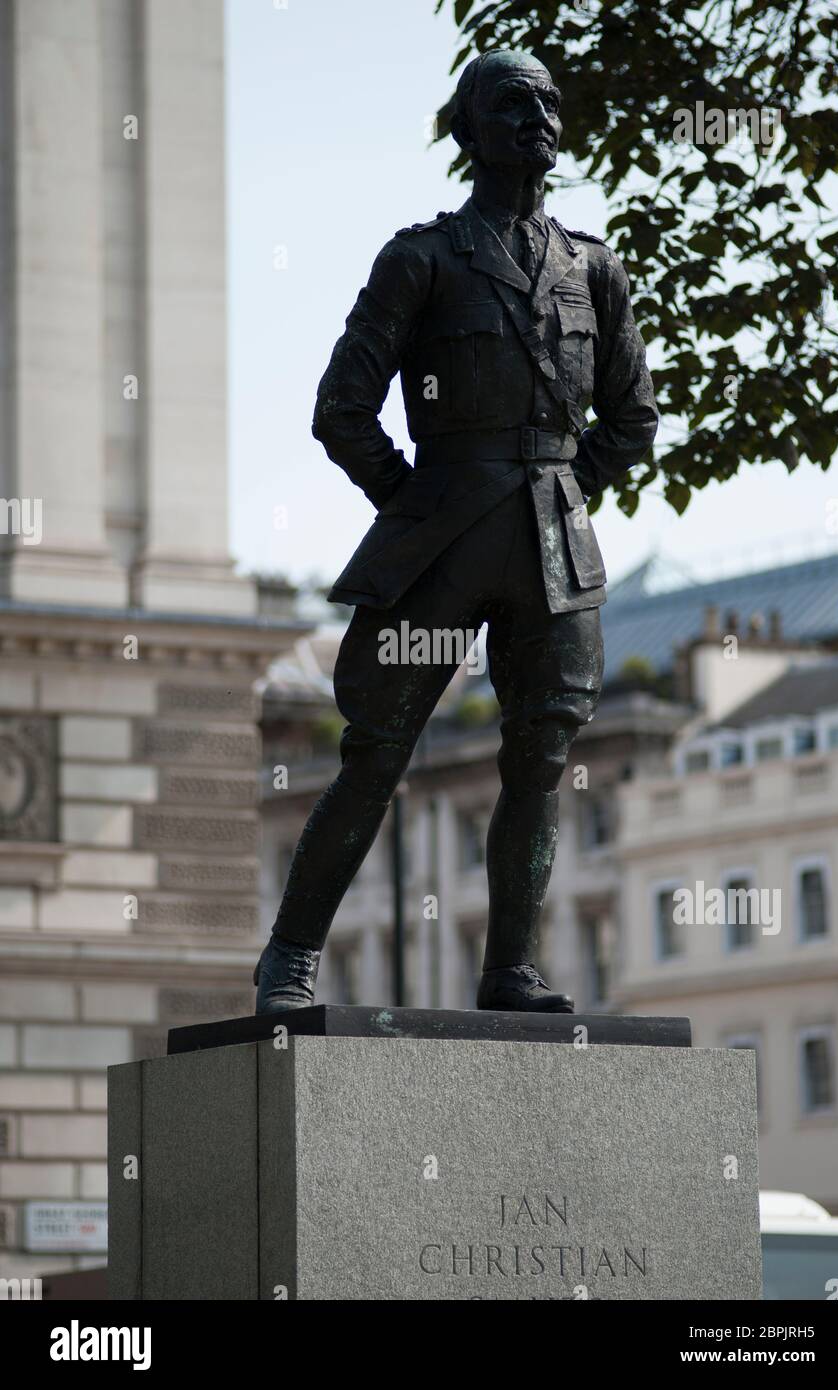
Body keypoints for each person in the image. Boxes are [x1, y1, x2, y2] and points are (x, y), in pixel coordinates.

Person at [254, 49, 658, 1015]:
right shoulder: (421, 259)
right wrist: (414, 502)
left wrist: (562, 491)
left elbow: (632, 420)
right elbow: (342, 407)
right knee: (375, 753)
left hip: (552, 555)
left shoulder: (593, 269)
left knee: (540, 758)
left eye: (549, 105)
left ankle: (509, 967)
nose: (538, 120)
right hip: (438, 543)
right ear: (467, 130)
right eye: (513, 105)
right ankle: (290, 959)